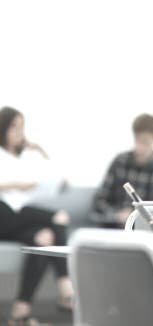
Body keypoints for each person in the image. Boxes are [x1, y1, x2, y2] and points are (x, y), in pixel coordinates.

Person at [0, 106, 73, 326]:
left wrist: (41, 151)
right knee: (58, 217)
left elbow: (57, 180)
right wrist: (15, 185)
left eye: (21, 127)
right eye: (14, 127)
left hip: (19, 215)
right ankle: (65, 284)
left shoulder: (25, 156)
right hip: (3, 214)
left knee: (43, 239)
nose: (18, 132)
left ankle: (20, 312)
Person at [91, 113, 153, 228]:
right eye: (137, 140)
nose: (140, 147)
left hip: (151, 231)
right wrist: (116, 215)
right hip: (118, 229)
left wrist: (141, 217)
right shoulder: (120, 162)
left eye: (145, 141)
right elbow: (99, 201)